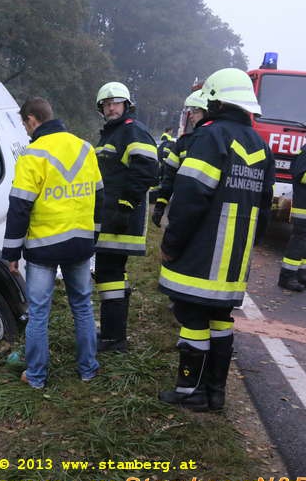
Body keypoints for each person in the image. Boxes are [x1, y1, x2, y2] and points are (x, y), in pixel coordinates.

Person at [158, 68, 274, 411]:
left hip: (201, 253)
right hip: (234, 261)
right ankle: (214, 393)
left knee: (191, 318)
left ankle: (188, 391)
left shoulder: (213, 138)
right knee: (221, 320)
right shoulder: (261, 147)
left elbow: (191, 196)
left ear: (216, 101)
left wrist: (171, 244)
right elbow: (264, 210)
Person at [3, 97, 102, 388]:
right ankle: (88, 369)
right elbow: (100, 198)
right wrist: (92, 236)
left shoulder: (32, 155)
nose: (25, 130)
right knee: (82, 306)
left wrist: (11, 252)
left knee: (38, 313)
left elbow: (19, 207)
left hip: (43, 249)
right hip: (81, 244)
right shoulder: (86, 148)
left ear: (32, 120)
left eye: (24, 124)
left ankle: (36, 376)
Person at [93, 82, 159, 352]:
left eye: (115, 103)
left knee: (109, 273)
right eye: (106, 104)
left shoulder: (133, 131)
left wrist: (125, 207)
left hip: (120, 218)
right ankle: (112, 332)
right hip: (110, 217)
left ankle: (113, 338)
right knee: (111, 273)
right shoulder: (112, 133)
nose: (110, 107)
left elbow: (146, 171)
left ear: (126, 105)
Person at [152, 89, 208, 227]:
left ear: (207, 112)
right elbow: (169, 176)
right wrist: (160, 205)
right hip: (180, 210)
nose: (190, 116)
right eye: (190, 111)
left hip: (206, 215)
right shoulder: (183, 143)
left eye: (195, 111)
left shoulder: (219, 143)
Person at [278, 131, 306, 291]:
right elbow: (302, 176)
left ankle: (302, 275)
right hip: (305, 204)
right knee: (300, 239)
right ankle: (287, 277)